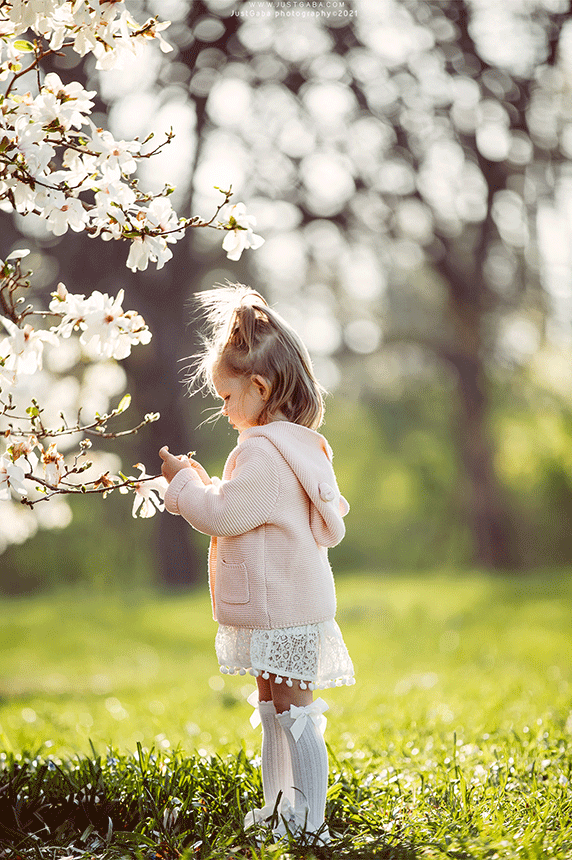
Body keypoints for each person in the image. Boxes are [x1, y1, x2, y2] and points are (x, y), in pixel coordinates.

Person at [159, 284, 354, 843]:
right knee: (273, 703)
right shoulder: (294, 444)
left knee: (293, 708)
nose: (221, 409)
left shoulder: (263, 452)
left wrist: (186, 484)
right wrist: (208, 483)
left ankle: (309, 820)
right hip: (285, 602)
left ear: (260, 387)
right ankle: (278, 806)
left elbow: (225, 515)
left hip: (282, 607)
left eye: (225, 397)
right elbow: (250, 510)